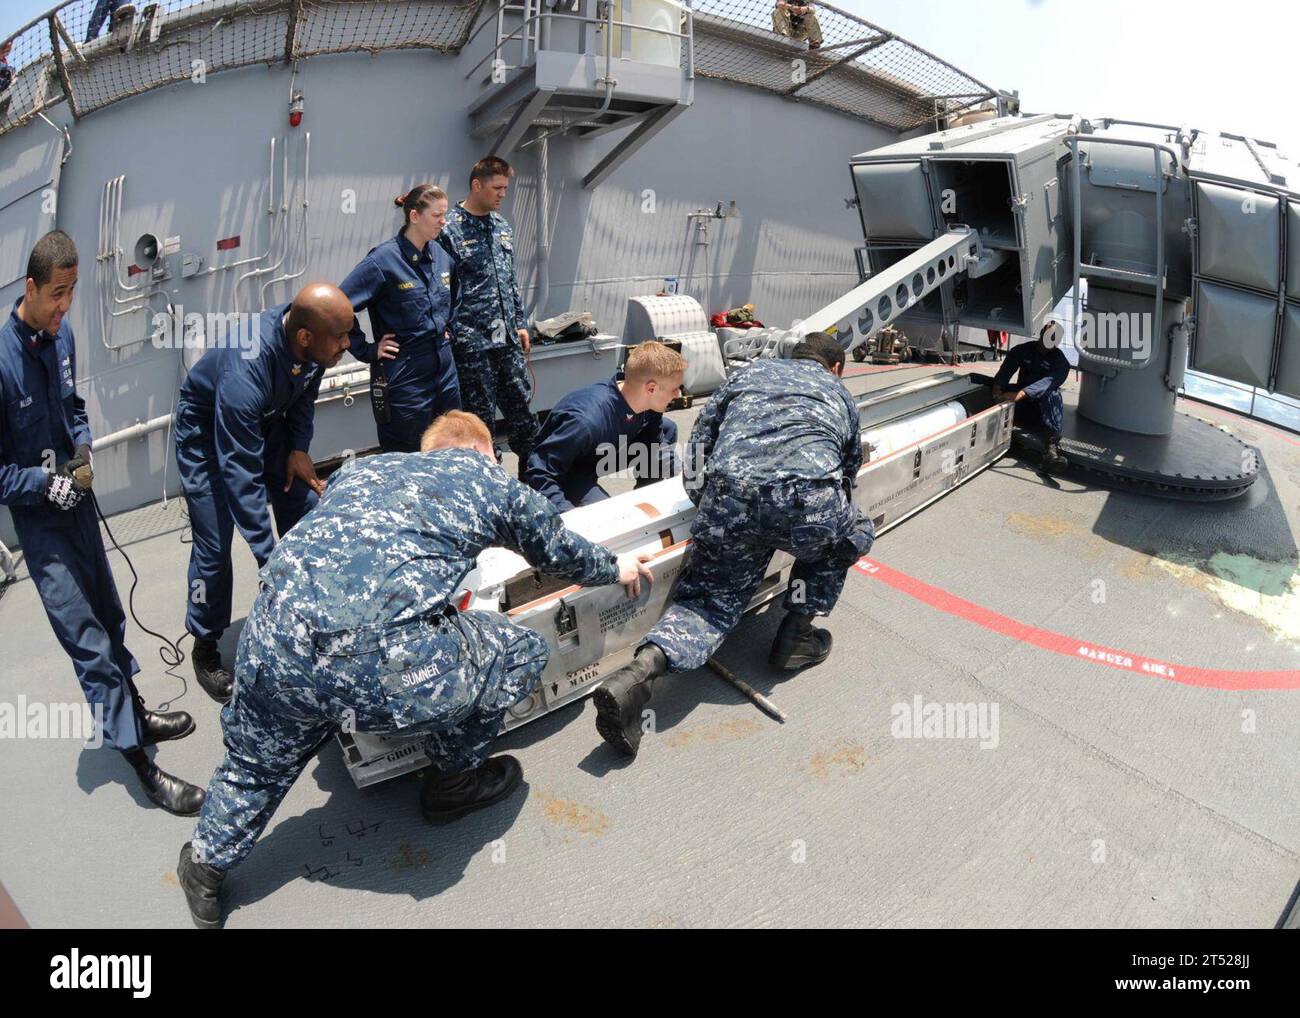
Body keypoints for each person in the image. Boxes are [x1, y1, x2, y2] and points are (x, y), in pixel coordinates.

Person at [176, 411, 653, 928]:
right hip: (379, 672)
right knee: (519, 652)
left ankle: (205, 867)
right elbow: (558, 550)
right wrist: (617, 568)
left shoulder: (361, 472)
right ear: (483, 452)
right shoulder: (485, 478)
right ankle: (453, 785)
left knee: (257, 762)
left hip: (270, 639)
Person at [592, 333, 875, 758]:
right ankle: (796, 634)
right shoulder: (838, 392)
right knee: (850, 531)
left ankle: (641, 671)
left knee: (706, 602)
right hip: (807, 505)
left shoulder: (748, 374)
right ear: (835, 367)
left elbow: (701, 445)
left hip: (731, 497)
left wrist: (709, 505)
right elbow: (848, 472)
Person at [0, 231, 204, 814]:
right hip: (43, 529)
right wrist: (44, 484)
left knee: (111, 616)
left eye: (72, 294)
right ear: (31, 287)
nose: (65, 307)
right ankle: (142, 763)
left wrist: (83, 444)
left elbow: (73, 407)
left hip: (79, 511)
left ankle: (135, 711)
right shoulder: (1, 360)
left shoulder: (59, 339)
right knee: (88, 643)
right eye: (57, 294)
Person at [173, 284, 352, 704]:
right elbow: (240, 473)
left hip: (268, 424)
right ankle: (205, 644)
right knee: (214, 545)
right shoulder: (245, 371)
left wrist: (297, 449)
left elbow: (304, 396)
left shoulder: (313, 340)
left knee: (304, 504)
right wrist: (266, 556)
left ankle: (310, 616)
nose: (346, 344)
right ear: (305, 337)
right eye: (340, 338)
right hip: (206, 437)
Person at [340, 184, 461, 453]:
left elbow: (454, 295)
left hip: (444, 370)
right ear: (415, 216)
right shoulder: (383, 261)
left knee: (451, 446)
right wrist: (368, 350)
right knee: (408, 455)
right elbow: (337, 307)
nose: (444, 221)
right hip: (405, 375)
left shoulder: (441, 256)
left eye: (445, 214)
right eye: (437, 215)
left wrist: (447, 327)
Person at [437, 156, 539, 467]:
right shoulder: (449, 230)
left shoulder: (502, 227)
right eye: (497, 188)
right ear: (476, 185)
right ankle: (489, 479)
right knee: (478, 421)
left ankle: (536, 478)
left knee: (522, 411)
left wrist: (520, 323)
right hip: (471, 346)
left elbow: (509, 280)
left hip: (507, 340)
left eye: (505, 188)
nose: (502, 194)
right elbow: (441, 287)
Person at [523, 340, 685, 511]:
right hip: (571, 467)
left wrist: (679, 474)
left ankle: (646, 498)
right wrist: (567, 513)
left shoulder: (646, 402)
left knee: (668, 429)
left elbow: (655, 440)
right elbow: (539, 470)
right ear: (651, 389)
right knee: (608, 515)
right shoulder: (584, 422)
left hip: (600, 450)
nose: (678, 394)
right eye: (674, 389)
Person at [991, 321, 1070, 473]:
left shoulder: (1061, 363)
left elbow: (1047, 384)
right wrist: (997, 389)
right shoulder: (1023, 350)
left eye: (1054, 338)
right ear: (1041, 334)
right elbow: (1006, 370)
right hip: (1019, 405)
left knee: (1053, 395)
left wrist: (1019, 394)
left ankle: (1051, 450)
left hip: (1040, 411)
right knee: (985, 383)